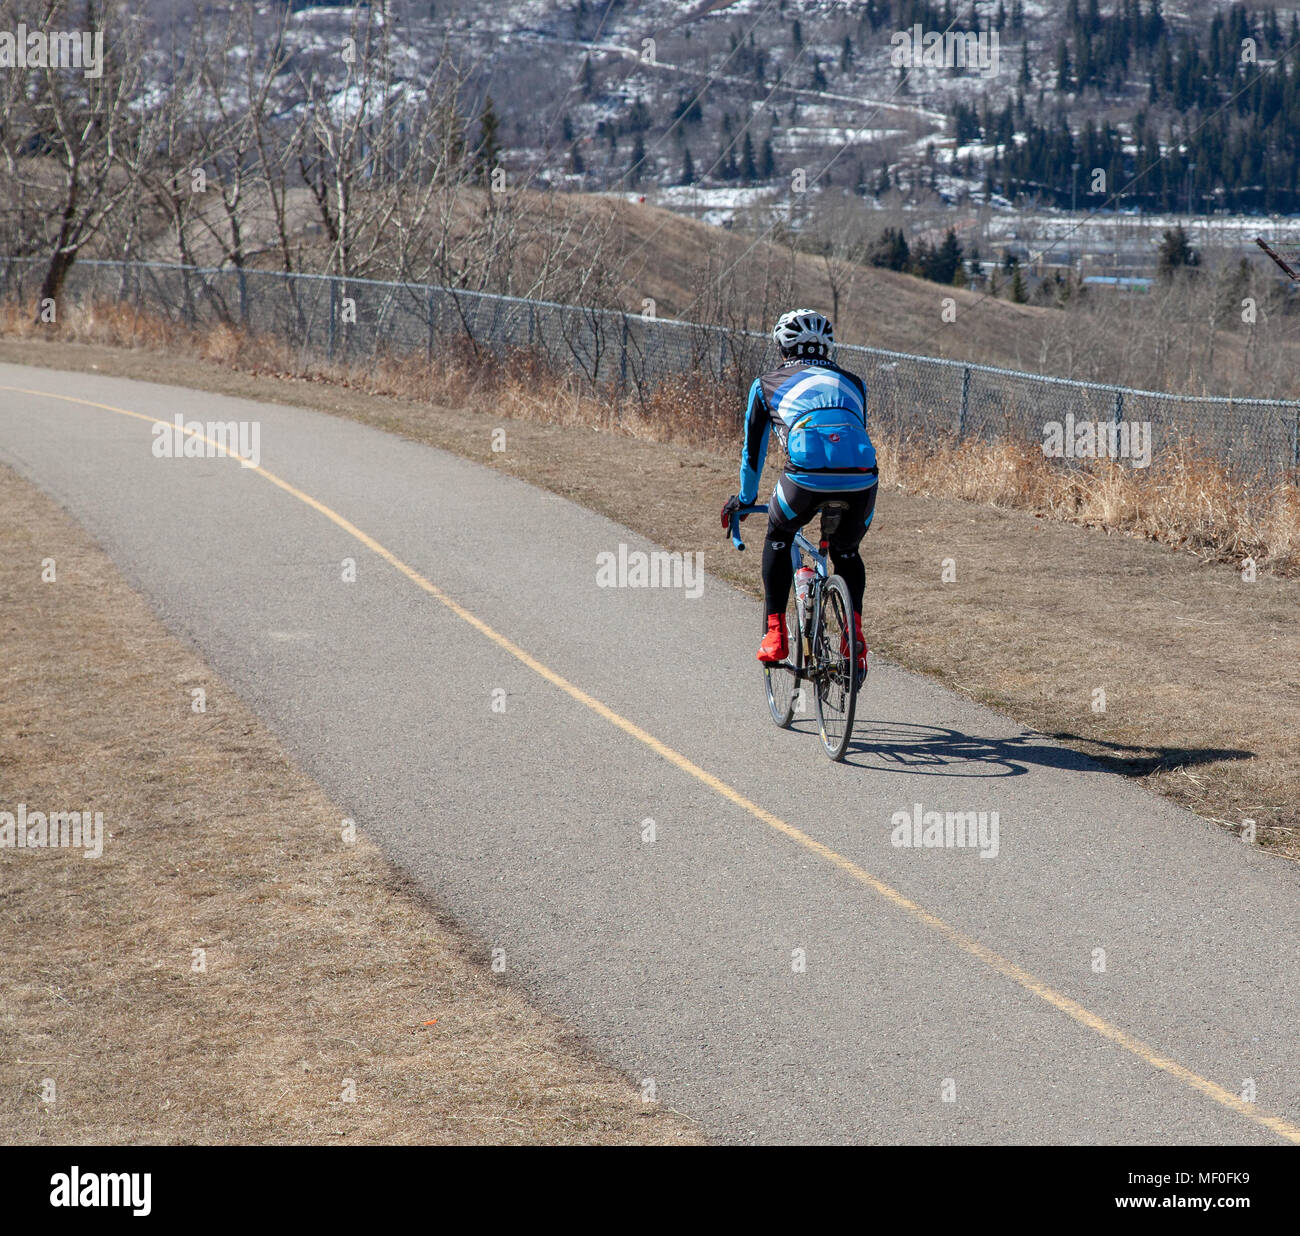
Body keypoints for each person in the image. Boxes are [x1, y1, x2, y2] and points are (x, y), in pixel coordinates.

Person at [721, 309, 878, 673]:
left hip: (804, 479)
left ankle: (775, 635)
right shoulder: (855, 382)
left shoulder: (765, 384)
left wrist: (744, 500)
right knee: (847, 552)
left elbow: (753, 452)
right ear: (827, 347)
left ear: (781, 346)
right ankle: (852, 633)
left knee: (778, 535)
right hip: (861, 480)